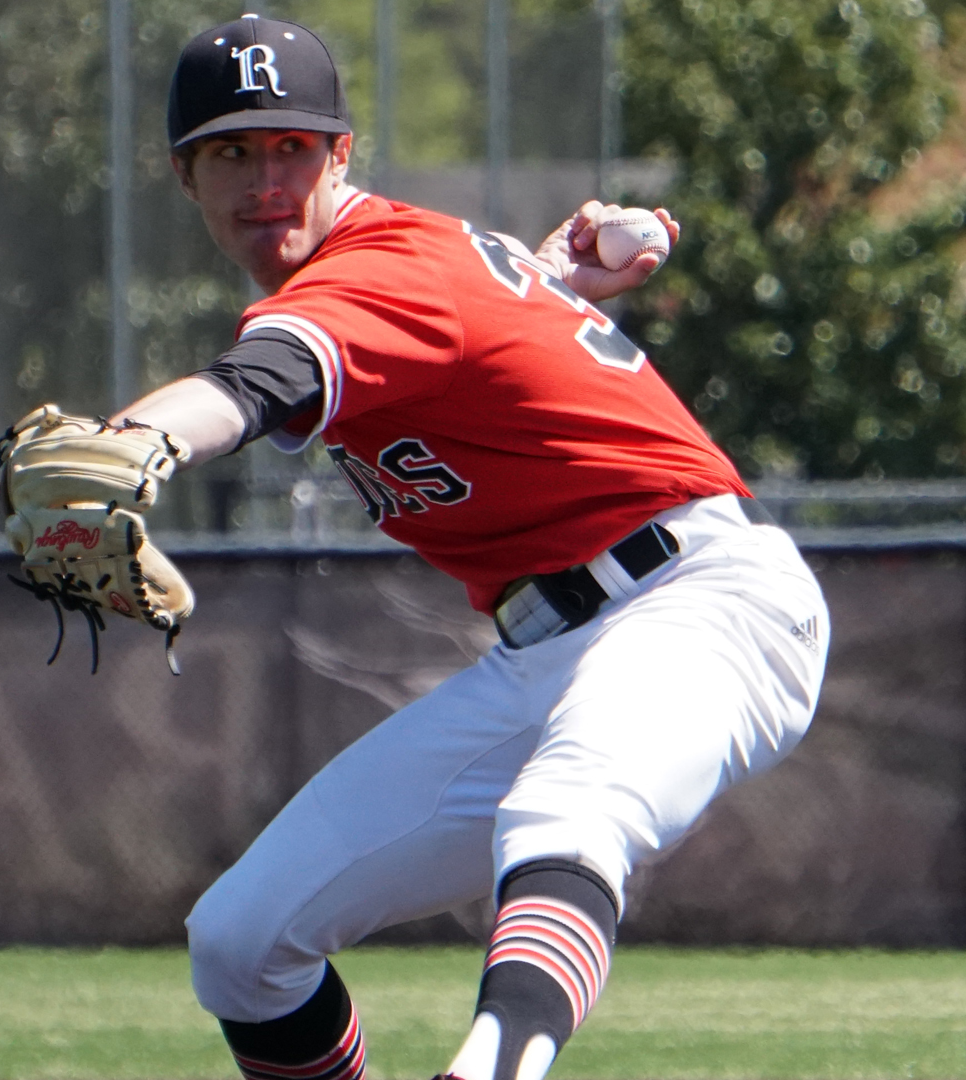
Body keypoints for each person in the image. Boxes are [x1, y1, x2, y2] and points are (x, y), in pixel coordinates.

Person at [106, 15, 830, 1080]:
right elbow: (477, 335)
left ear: (339, 154)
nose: (265, 178)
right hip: (548, 647)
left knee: (567, 809)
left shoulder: (376, 268)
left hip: (704, 597)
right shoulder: (399, 269)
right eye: (230, 151)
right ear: (185, 174)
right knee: (242, 942)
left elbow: (253, 388)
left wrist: (129, 445)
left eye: (291, 147)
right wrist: (551, 280)